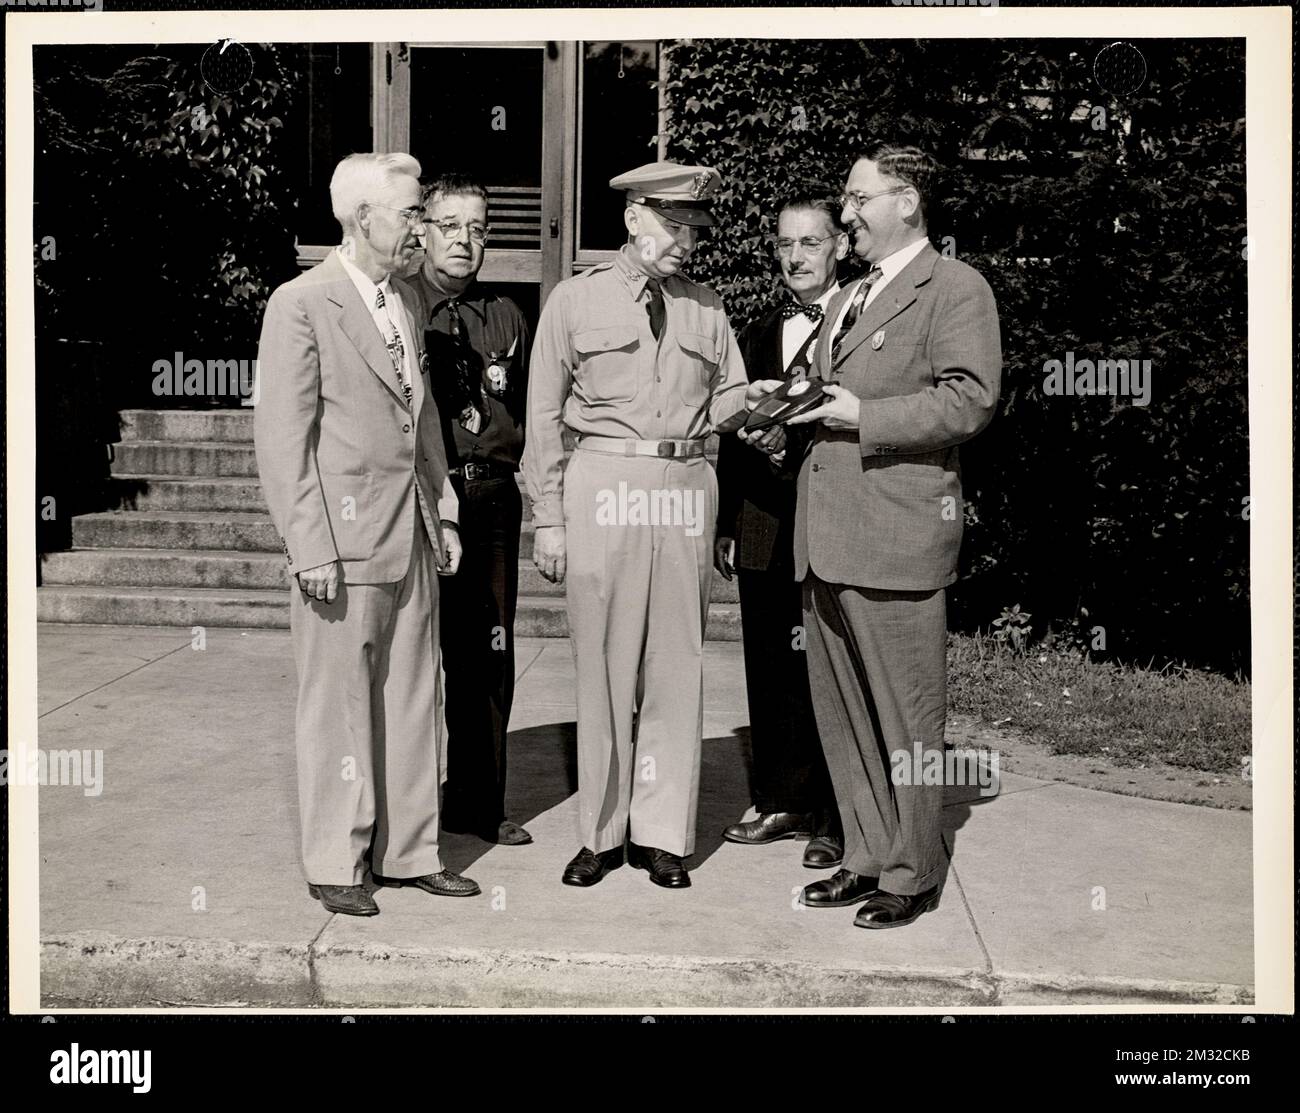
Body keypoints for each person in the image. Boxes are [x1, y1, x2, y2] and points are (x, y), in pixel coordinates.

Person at [524, 161, 783, 890]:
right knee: (604, 665)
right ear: (634, 217)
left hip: (686, 487)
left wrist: (758, 403)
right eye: (673, 226)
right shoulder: (574, 301)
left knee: (676, 664)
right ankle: (601, 834)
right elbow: (542, 416)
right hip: (603, 484)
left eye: (695, 230)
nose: (686, 243)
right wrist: (548, 517)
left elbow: (726, 400)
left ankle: (662, 834)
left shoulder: (707, 308)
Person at [780, 144, 1001, 928]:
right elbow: (832, 395)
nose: (846, 213)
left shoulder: (956, 288)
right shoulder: (850, 293)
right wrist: (784, 410)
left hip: (897, 539)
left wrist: (863, 416)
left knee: (908, 718)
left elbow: (970, 400)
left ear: (907, 201)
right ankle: (866, 854)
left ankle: (914, 870)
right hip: (827, 534)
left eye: (858, 198)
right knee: (843, 714)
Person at [254, 152, 479, 917]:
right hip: (341, 547)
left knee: (413, 698)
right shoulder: (300, 302)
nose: (423, 225)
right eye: (412, 212)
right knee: (337, 707)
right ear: (362, 219)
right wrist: (309, 545)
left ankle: (410, 851)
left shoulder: (403, 301)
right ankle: (335, 858)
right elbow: (284, 440)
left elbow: (423, 422)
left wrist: (444, 508)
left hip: (409, 533)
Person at [715, 194, 847, 869]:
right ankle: (781, 798)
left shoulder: (858, 326)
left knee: (830, 668)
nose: (796, 256)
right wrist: (728, 523)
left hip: (829, 520)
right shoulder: (757, 329)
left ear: (840, 247)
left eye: (810, 242)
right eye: (786, 243)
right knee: (769, 662)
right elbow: (731, 429)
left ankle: (836, 817)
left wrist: (789, 447)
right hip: (763, 521)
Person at [409, 173, 533, 847]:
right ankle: (403, 809)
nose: (464, 240)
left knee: (487, 650)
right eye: (450, 225)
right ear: (422, 229)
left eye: (477, 228)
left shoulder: (506, 315)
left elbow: (529, 410)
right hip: (425, 494)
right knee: (408, 653)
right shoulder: (400, 307)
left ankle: (478, 802)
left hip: (491, 499)